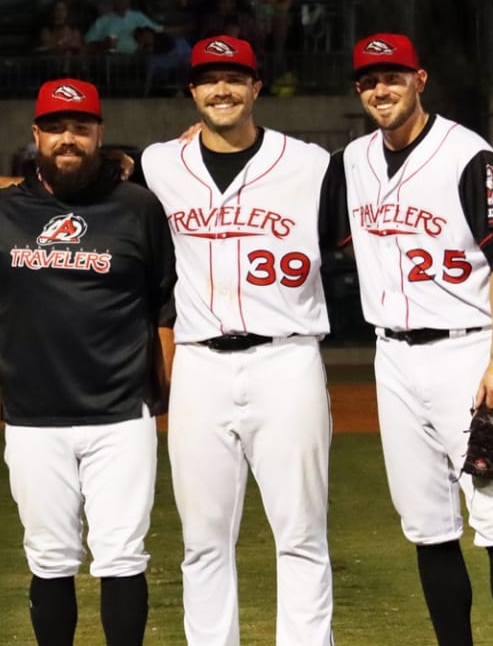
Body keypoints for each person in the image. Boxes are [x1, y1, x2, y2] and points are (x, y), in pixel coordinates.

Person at [336, 33, 493, 646]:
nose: (381, 89)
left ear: (420, 80)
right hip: (391, 357)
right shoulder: (352, 161)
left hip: (466, 351)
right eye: (370, 80)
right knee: (427, 525)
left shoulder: (466, 154)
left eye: (393, 77)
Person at [0, 78, 175, 646]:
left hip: (121, 413)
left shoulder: (139, 207)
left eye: (81, 127)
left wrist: (166, 391)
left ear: (100, 133)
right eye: (56, 127)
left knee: (123, 556)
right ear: (36, 135)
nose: (68, 138)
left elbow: (164, 299)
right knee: (50, 558)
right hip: (33, 417)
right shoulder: (0, 211)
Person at [141, 36, 335, 645]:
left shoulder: (311, 164)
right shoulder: (158, 164)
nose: (220, 88)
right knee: (202, 540)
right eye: (207, 79)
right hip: (199, 366)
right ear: (192, 92)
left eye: (234, 78)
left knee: (301, 533)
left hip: (288, 358)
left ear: (256, 87)